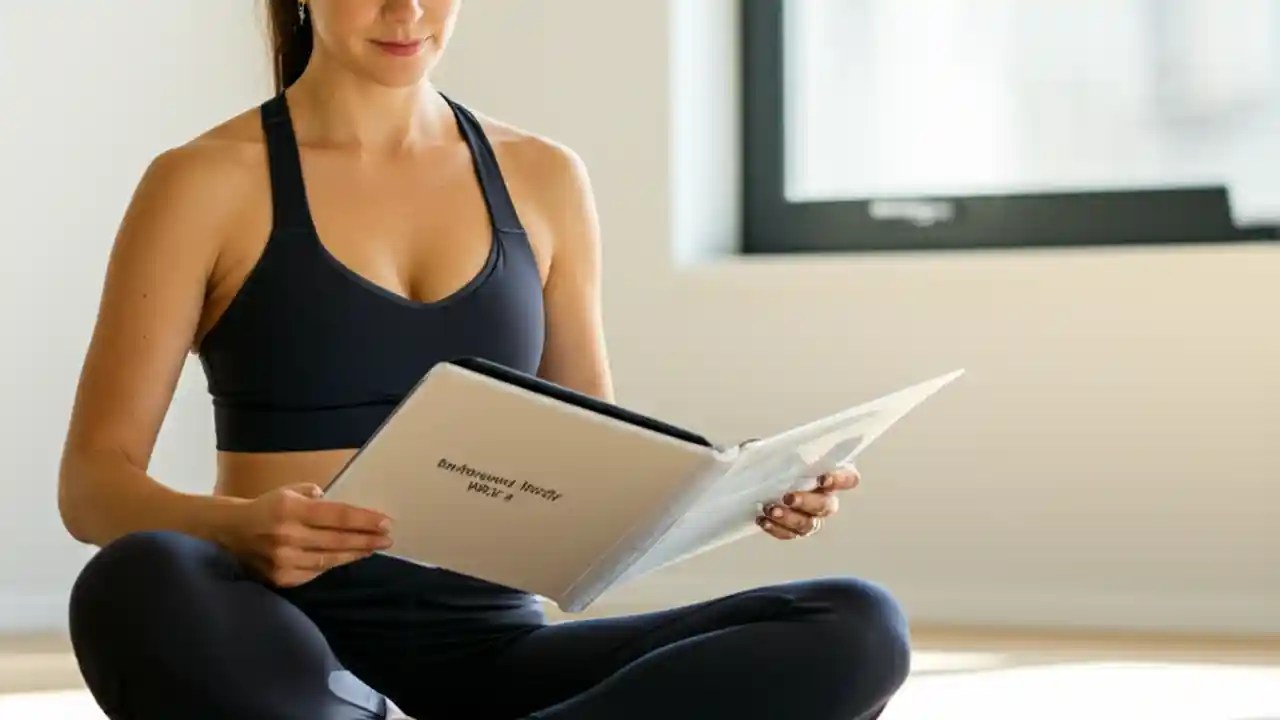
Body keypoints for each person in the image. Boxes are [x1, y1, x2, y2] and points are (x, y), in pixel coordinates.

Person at [57, 1, 911, 718]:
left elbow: (599, 467)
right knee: (137, 579)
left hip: (496, 649)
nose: (407, 10)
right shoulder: (204, 181)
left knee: (854, 623)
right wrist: (235, 527)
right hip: (275, 639)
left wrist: (746, 489)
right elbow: (93, 488)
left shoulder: (543, 177)